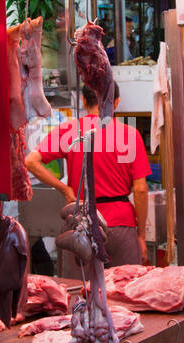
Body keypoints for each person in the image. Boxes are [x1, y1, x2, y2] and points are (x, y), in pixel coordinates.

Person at [25, 84, 151, 265]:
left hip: (81, 225)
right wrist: (141, 235)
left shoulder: (69, 130)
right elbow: (140, 190)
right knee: (125, 288)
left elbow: (31, 161)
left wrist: (65, 189)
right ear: (115, 103)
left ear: (83, 101)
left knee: (81, 289)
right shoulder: (129, 134)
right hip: (120, 224)